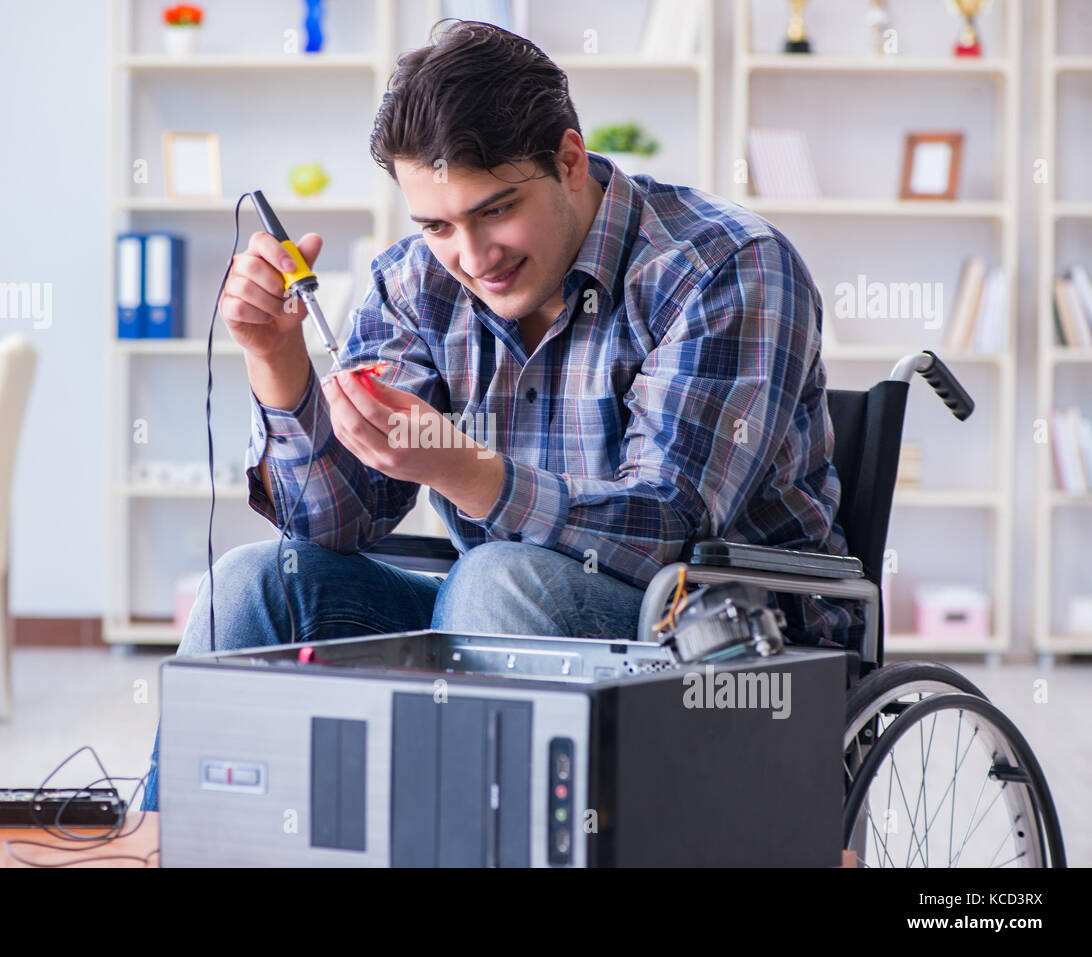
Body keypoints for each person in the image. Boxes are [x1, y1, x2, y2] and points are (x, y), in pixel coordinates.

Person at [138, 19, 859, 812]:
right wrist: (278, 364)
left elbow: (669, 528)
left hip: (728, 645)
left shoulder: (725, 269)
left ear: (570, 159)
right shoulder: (416, 283)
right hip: (499, 626)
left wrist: (460, 470)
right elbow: (333, 530)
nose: (473, 256)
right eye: (439, 225)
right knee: (254, 582)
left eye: (497, 210)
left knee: (494, 579)